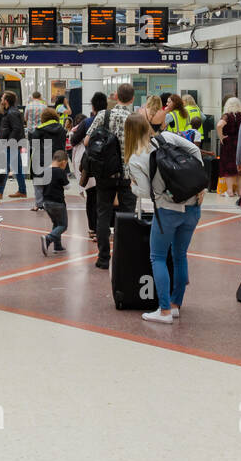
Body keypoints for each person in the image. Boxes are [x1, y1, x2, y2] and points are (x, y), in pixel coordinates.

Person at [124, 111, 204, 324]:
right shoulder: (166, 137)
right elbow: (195, 149)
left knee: (158, 257)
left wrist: (132, 187)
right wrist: (198, 183)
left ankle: (165, 310)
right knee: (180, 255)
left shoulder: (136, 157)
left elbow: (143, 191)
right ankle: (176, 305)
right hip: (193, 207)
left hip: (167, 211)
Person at [88, 83, 137, 269]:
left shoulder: (103, 115)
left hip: (105, 173)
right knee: (127, 215)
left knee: (103, 214)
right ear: (132, 99)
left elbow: (87, 139)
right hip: (127, 175)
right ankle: (123, 258)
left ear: (116, 97)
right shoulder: (136, 119)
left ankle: (103, 258)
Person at [72, 92, 107, 243]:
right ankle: (106, 227)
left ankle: (93, 229)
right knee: (106, 197)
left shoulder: (88, 122)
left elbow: (74, 140)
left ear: (92, 107)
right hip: (109, 164)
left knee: (92, 197)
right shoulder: (112, 119)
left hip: (92, 163)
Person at [29, 104, 67, 214]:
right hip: (57, 160)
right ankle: (57, 202)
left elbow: (34, 147)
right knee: (57, 183)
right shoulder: (62, 130)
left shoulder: (38, 130)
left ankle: (39, 204)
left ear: (43, 118)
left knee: (39, 183)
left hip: (41, 160)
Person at [0, 90, 27, 199]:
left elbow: (16, 129)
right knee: (17, 168)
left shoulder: (11, 112)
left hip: (10, 145)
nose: (1, 100)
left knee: (4, 168)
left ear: (6, 100)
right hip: (12, 144)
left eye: (2, 98)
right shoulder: (10, 111)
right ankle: (22, 191)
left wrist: (9, 143)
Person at [41, 149, 71, 256]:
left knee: (56, 223)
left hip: (46, 202)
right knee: (63, 225)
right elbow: (67, 187)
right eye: (66, 164)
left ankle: (57, 246)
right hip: (58, 202)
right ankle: (48, 239)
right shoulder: (60, 171)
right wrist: (65, 176)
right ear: (63, 162)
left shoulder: (45, 170)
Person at [217, 97, 241, 197]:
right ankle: (240, 191)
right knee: (238, 166)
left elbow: (219, 125)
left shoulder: (226, 116)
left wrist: (221, 137)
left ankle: (229, 191)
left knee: (228, 167)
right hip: (240, 142)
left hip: (228, 143)